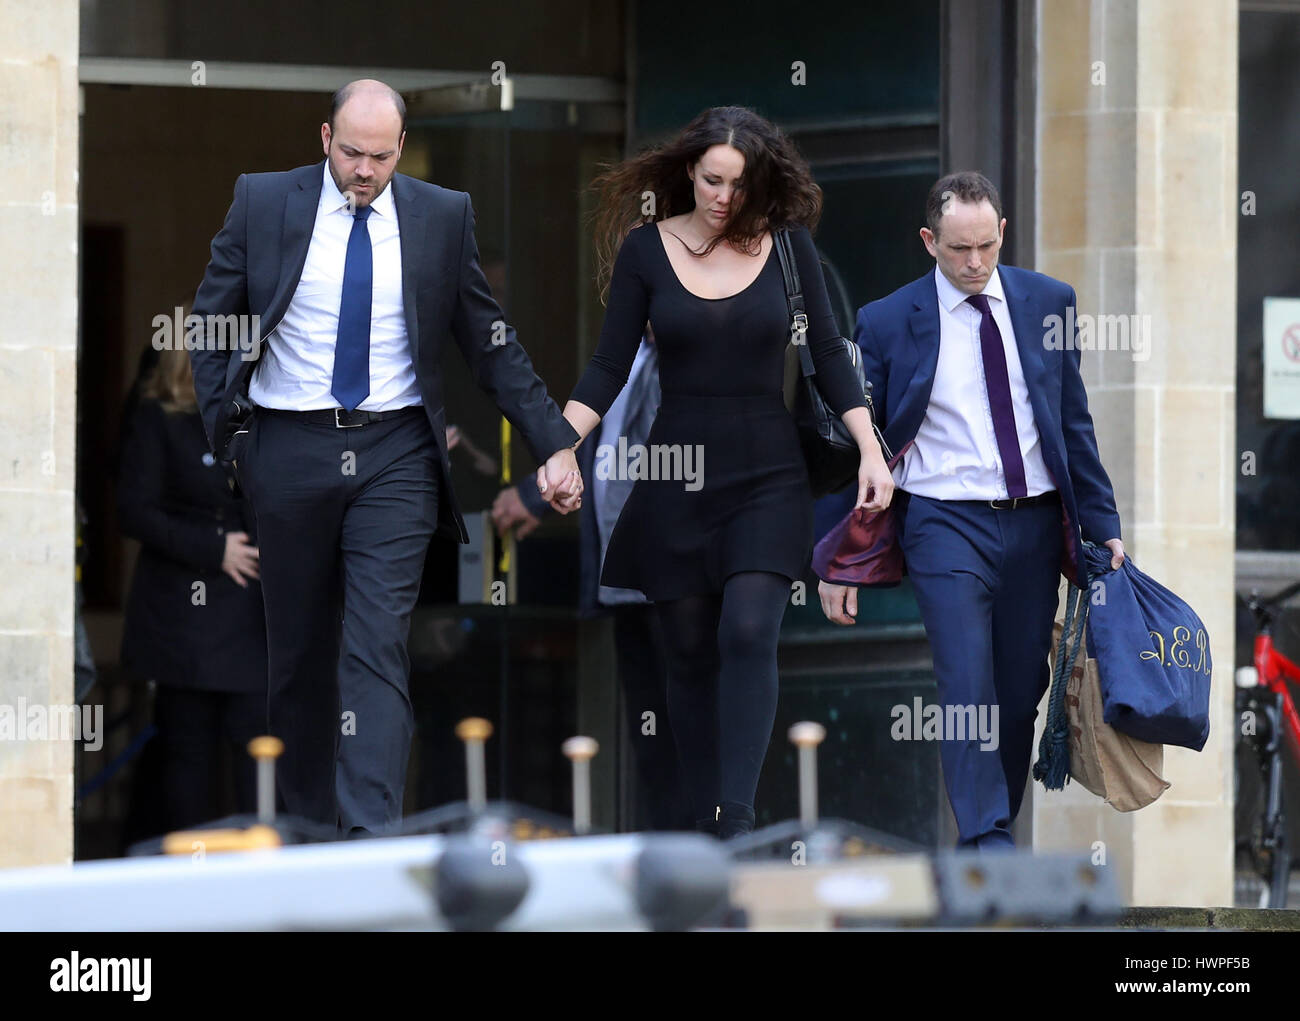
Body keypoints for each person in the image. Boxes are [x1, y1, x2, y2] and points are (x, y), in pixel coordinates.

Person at [188, 79, 582, 835]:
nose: (363, 171)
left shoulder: (442, 215)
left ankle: (369, 833)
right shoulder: (264, 201)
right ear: (324, 138)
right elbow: (208, 320)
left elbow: (489, 344)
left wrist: (554, 443)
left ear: (400, 147)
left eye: (378, 155)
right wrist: (228, 435)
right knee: (300, 654)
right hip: (289, 442)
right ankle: (305, 832)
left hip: (396, 451)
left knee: (375, 642)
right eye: (350, 152)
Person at [559, 106, 893, 838]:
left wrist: (871, 447)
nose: (723, 198)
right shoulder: (648, 252)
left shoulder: (788, 247)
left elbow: (831, 353)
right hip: (676, 474)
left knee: (746, 630)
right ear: (689, 171)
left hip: (767, 474)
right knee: (684, 650)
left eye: (740, 186)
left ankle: (736, 821)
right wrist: (562, 445)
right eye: (713, 180)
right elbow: (610, 365)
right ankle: (703, 818)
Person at [818, 171, 1126, 849]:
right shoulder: (888, 320)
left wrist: (1104, 529)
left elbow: (1075, 426)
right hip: (943, 523)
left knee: (1019, 694)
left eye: (987, 245)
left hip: (1035, 519)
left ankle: (992, 834)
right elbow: (857, 445)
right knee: (966, 681)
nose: (975, 261)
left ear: (1002, 233)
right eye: (959, 248)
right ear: (930, 241)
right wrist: (838, 555)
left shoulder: (1048, 302)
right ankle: (986, 838)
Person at [493, 326, 693, 832]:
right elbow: (594, 444)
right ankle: (666, 862)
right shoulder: (623, 358)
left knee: (690, 727)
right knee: (650, 734)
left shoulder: (691, 348)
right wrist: (540, 495)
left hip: (679, 575)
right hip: (624, 578)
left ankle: (705, 860)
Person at [118, 343, 268, 830]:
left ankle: (261, 884)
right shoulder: (157, 417)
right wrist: (214, 548)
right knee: (187, 758)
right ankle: (188, 885)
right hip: (182, 621)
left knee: (259, 754)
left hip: (251, 619)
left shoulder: (253, 416)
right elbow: (134, 510)